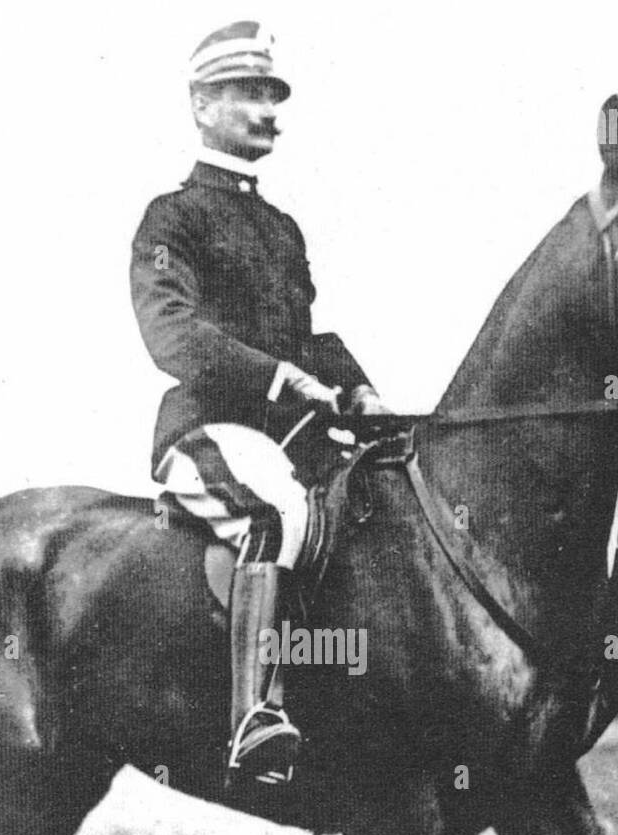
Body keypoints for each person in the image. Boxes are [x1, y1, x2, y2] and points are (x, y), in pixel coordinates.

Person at [130, 20, 389, 788]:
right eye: (250, 94)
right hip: (208, 431)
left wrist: (358, 386)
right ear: (202, 105)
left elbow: (304, 338)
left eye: (273, 95)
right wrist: (277, 379)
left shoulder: (280, 228)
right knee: (266, 518)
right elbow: (172, 334)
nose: (269, 110)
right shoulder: (170, 218)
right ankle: (253, 717)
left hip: (286, 438)